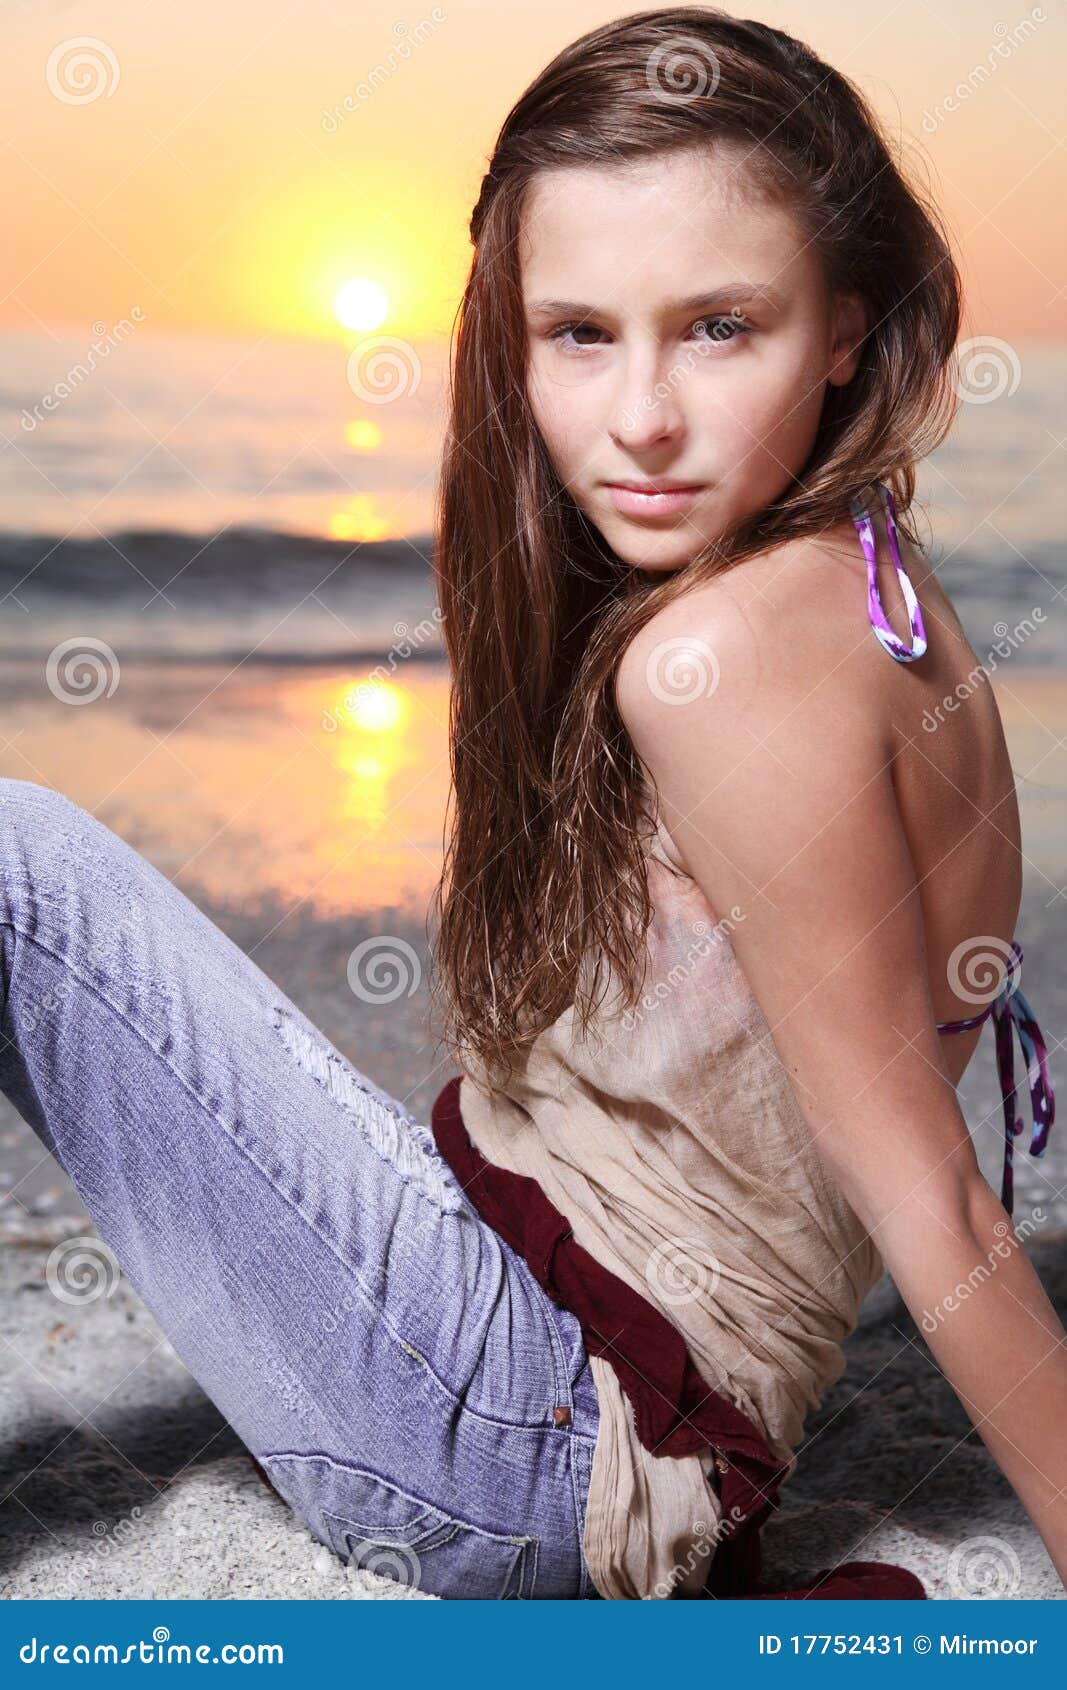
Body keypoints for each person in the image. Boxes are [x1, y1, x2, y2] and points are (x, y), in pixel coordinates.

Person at [0, 7, 1060, 1603]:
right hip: (528, 1327)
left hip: (535, 1435)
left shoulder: (720, 659)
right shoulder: (874, 582)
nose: (638, 417)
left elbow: (933, 1194)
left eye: (719, 326)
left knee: (16, 863)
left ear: (848, 322)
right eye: (578, 333)